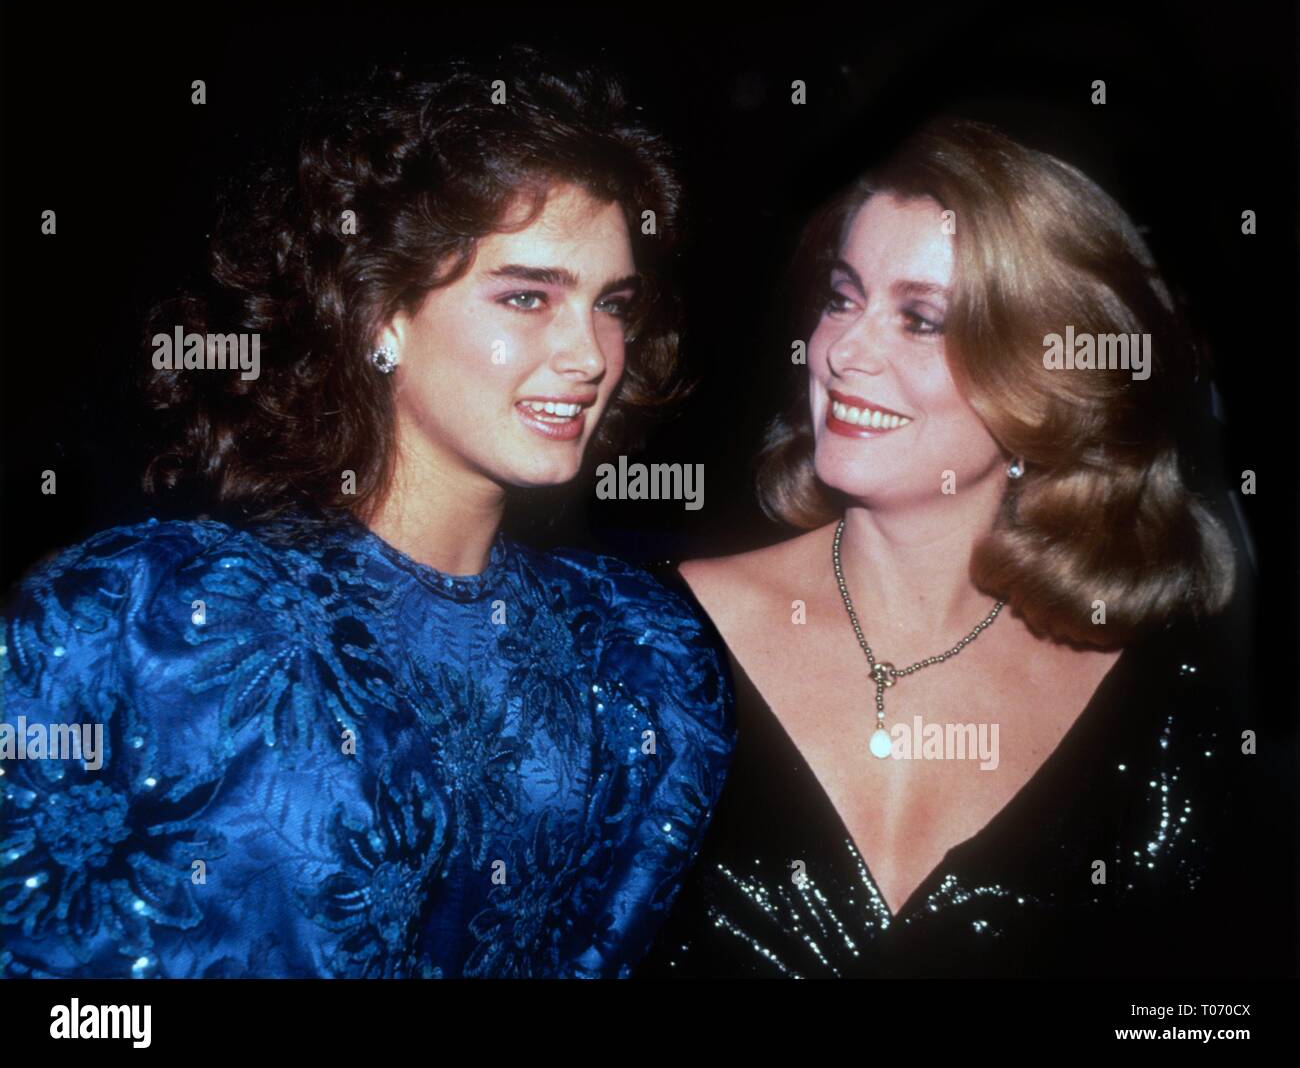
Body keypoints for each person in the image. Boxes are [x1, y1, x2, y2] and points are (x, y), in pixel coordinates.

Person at [0, 49, 734, 979]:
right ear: (382, 313)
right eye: (527, 296)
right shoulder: (156, 621)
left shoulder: (633, 655)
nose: (590, 354)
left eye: (612, 304)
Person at [638, 119, 1261, 978]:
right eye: (843, 298)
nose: (844, 352)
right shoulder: (649, 644)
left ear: (1044, 380)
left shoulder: (1162, 714)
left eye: (921, 319)